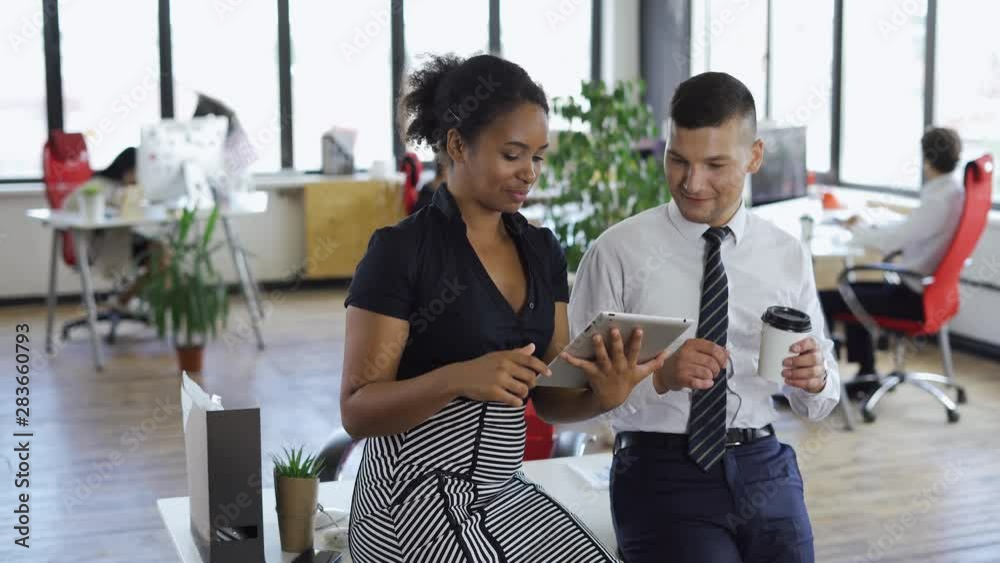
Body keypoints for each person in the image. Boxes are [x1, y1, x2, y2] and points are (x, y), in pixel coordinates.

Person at [340, 53, 663, 562]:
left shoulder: (541, 250)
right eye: (512, 154)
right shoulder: (401, 252)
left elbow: (550, 397)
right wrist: (457, 378)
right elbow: (356, 410)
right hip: (410, 493)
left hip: (501, 490)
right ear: (457, 145)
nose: (528, 173)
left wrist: (604, 394)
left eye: (538, 157)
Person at [560, 72, 840, 562]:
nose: (692, 183)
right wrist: (660, 377)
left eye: (714, 165)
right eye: (678, 160)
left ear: (754, 156)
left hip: (765, 463)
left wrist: (815, 380)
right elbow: (577, 396)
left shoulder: (786, 254)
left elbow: (817, 399)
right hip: (660, 469)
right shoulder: (617, 253)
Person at [819, 127, 965, 389]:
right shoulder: (955, 192)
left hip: (912, 299)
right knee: (852, 288)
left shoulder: (939, 201)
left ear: (927, 159)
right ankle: (866, 375)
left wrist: (856, 228)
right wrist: (871, 226)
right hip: (934, 294)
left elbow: (892, 240)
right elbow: (912, 228)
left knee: (828, 297)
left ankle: (820, 386)